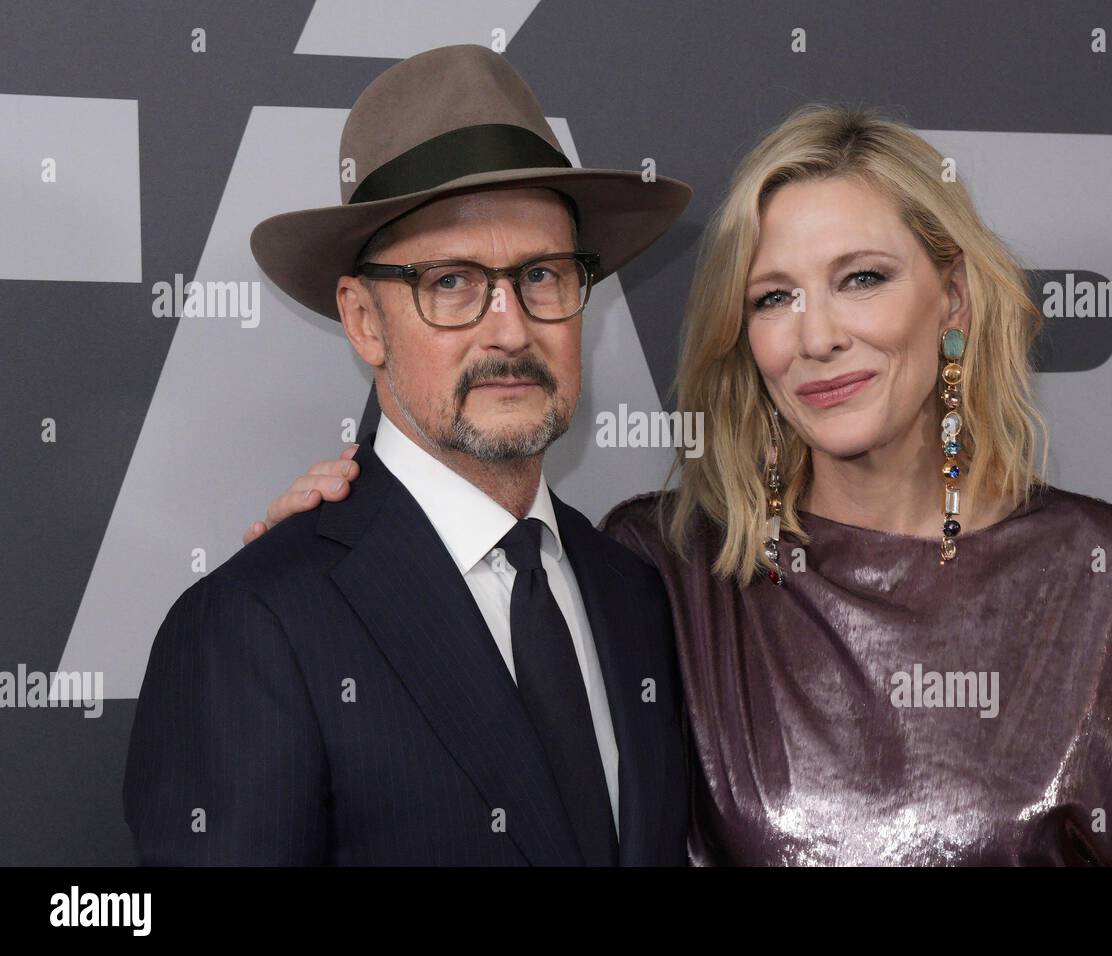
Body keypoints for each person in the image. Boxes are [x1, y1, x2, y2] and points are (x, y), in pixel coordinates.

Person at [252, 104, 1112, 865]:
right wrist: (339, 584)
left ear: (950, 296)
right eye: (775, 296)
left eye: (861, 277)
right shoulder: (664, 570)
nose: (818, 335)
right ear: (746, 336)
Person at [123, 45, 692, 866]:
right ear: (363, 321)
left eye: (542, 274)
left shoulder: (635, 595)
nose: (510, 326)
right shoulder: (255, 627)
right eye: (452, 282)